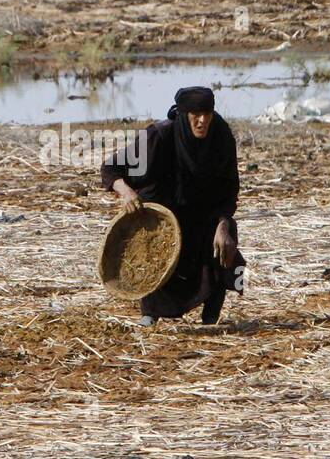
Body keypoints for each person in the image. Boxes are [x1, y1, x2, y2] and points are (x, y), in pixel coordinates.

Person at [101, 86, 245, 326]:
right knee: (154, 248)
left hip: (204, 212)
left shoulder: (220, 136)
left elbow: (228, 190)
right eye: (195, 115)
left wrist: (223, 225)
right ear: (183, 114)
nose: (202, 121)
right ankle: (150, 314)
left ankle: (210, 316)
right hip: (163, 212)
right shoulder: (159, 136)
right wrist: (126, 192)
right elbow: (111, 169)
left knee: (225, 242)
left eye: (207, 114)